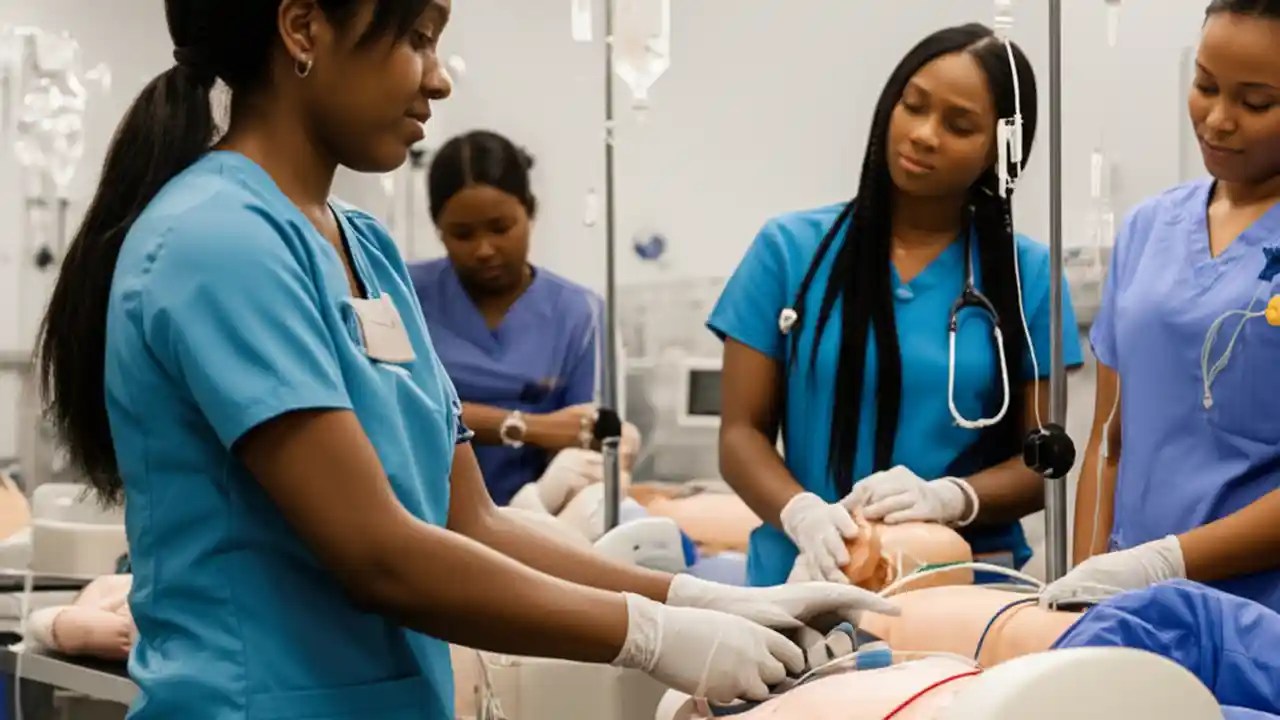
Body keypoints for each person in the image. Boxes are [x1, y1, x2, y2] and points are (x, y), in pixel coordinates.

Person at [34, 2, 897, 718]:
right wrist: (648, 637)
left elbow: (468, 519)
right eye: (416, 37)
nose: (439, 77)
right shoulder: (217, 239)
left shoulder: (360, 246)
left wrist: (705, 600)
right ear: (302, 29)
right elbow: (378, 552)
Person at [709, 23, 1082, 588]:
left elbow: (1042, 465)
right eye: (913, 106)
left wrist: (950, 499)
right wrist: (803, 514)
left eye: (959, 126)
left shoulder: (1025, 275)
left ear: (1000, 150)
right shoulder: (789, 252)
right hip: (803, 579)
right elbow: (740, 435)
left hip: (963, 589)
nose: (924, 134)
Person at [1044, 0, 1280, 611]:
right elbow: (1109, 440)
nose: (1218, 120)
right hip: (1130, 608)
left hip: (1257, 616)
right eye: (1205, 86)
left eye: (1257, 103)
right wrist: (1088, 588)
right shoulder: (1151, 227)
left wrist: (1166, 560)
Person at [410, 130, 636, 510]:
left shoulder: (579, 314)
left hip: (539, 515)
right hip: (423, 514)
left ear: (530, 212)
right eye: (463, 234)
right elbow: (399, 407)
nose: (484, 249)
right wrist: (530, 427)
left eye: (501, 228)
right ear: (438, 228)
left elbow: (584, 434)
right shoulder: (403, 294)